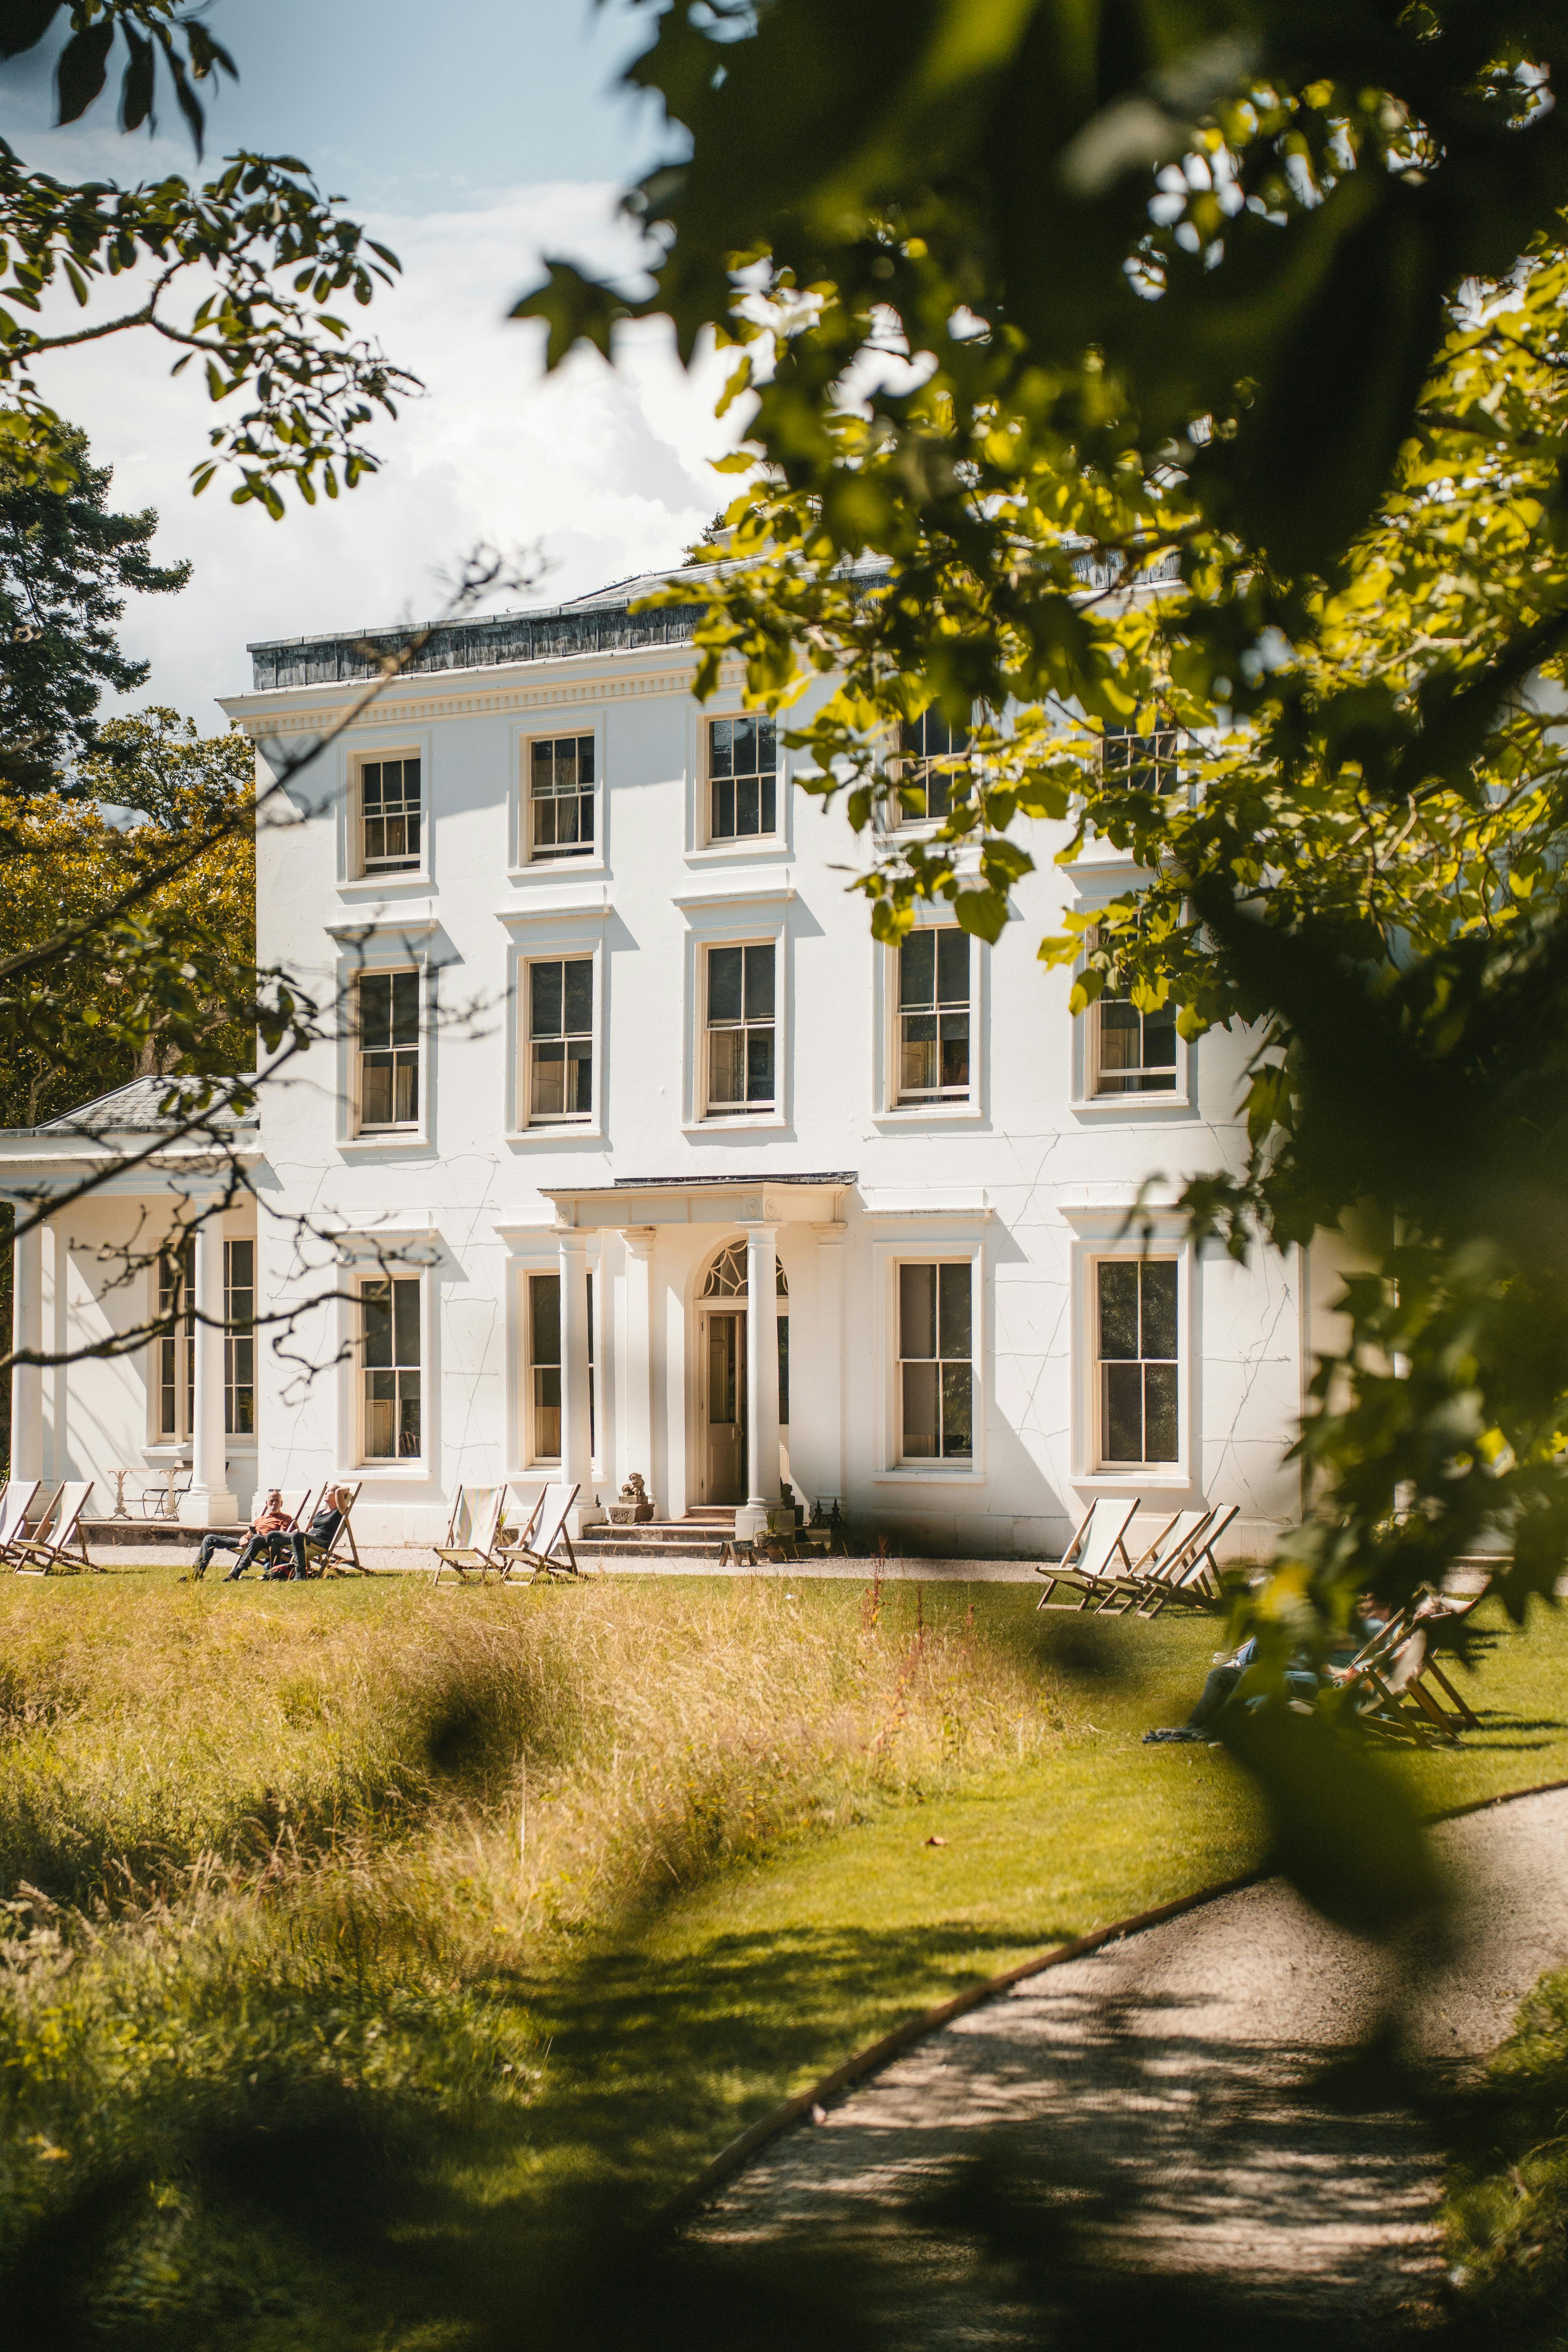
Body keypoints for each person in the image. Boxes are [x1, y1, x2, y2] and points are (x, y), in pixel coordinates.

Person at [1143, 1597, 1389, 1744]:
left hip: (1333, 1679)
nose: (1366, 1604)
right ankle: (1193, 1727)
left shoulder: (1378, 1626)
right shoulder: (1378, 1632)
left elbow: (1377, 1675)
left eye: (1373, 1602)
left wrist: (1353, 1675)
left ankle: (1213, 1730)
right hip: (1321, 1668)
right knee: (1219, 1675)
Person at [189, 1490, 289, 1582]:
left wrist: (260, 1537)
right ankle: (198, 1571)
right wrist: (244, 1538)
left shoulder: (285, 1518)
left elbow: (280, 1537)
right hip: (251, 1542)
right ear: (267, 1503)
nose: (275, 1504)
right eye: (272, 1501)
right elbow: (250, 1533)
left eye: (277, 1501)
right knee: (210, 1538)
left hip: (266, 1543)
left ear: (282, 1503)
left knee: (257, 1538)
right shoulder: (260, 1519)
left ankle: (237, 1571)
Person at [277, 1485, 351, 1580]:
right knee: (274, 1535)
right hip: (310, 1538)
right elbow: (311, 1530)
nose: (326, 1493)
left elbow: (340, 1492)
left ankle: (301, 1574)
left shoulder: (340, 1512)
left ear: (336, 1495)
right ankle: (276, 1571)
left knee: (297, 1535)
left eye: (329, 1491)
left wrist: (347, 1489)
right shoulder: (321, 1513)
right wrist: (299, 1533)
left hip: (322, 1542)